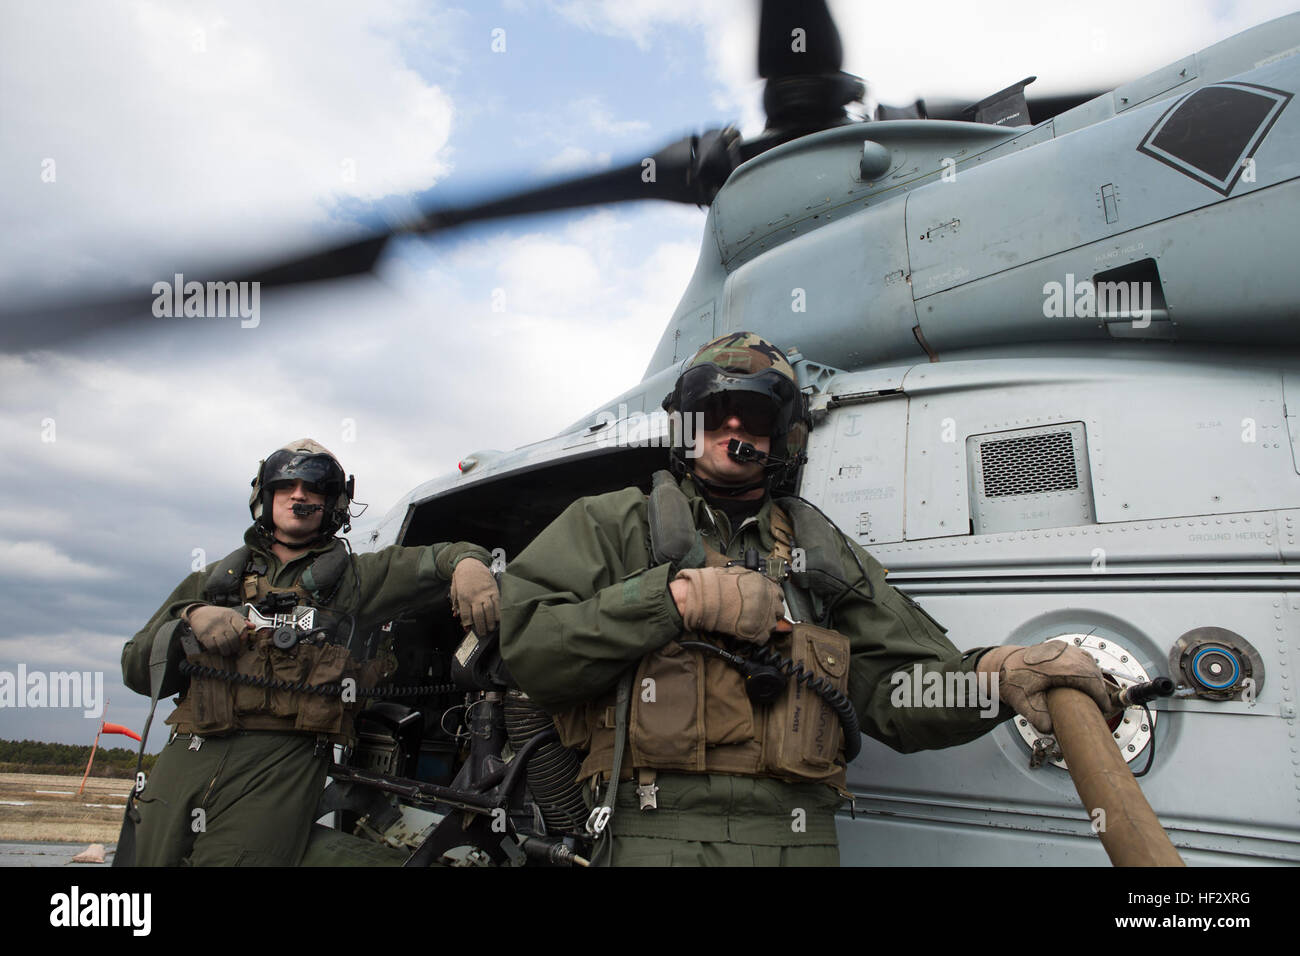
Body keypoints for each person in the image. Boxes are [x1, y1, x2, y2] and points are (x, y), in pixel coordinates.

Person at [499, 332, 1112, 866]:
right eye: (715, 411)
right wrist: (674, 600)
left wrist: (993, 678)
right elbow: (530, 653)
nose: (734, 427)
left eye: (754, 414)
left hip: (800, 840)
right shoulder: (611, 525)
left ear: (783, 435)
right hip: (651, 832)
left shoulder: (823, 552)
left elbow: (893, 694)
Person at [119, 438, 500, 866]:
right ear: (265, 496)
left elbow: (439, 558)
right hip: (187, 753)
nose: (299, 495)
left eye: (314, 488)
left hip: (280, 764)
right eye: (286, 486)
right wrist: (189, 617)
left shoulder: (357, 579)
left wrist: (470, 563)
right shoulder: (213, 581)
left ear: (333, 503)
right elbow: (135, 668)